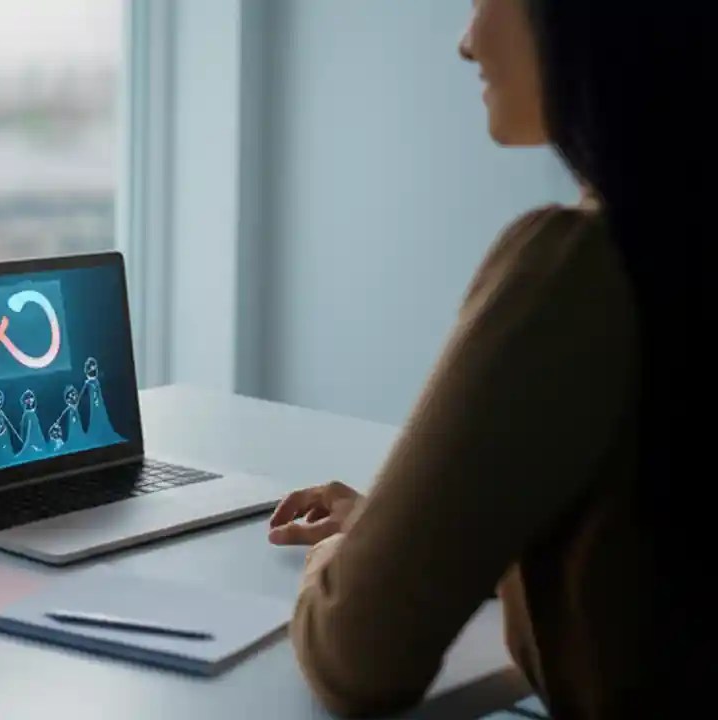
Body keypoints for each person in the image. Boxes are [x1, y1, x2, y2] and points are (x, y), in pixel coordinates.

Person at [267, 1, 701, 717]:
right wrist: (412, 531)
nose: (468, 43)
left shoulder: (577, 269)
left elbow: (357, 655)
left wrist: (342, 564)